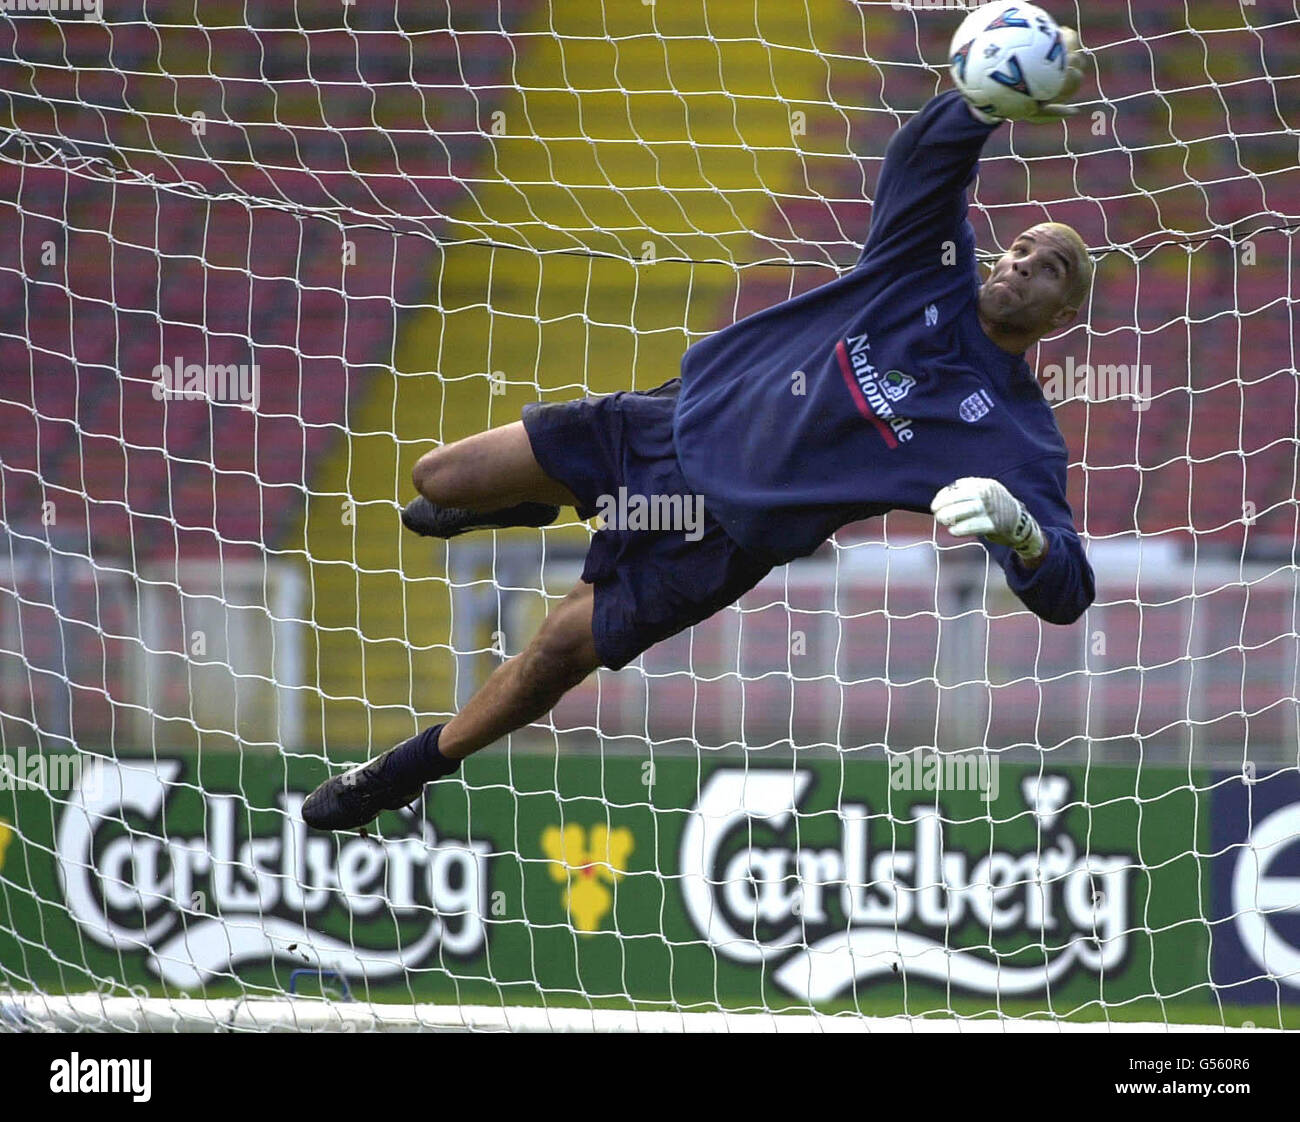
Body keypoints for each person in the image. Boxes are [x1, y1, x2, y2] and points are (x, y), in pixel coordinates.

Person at [303, 29, 1096, 832]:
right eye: (1023, 247)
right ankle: (541, 499)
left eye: (1052, 267)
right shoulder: (921, 268)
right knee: (437, 480)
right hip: (667, 423)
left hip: (713, 538)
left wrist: (1025, 535)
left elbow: (1068, 592)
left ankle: (400, 773)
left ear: (1064, 315)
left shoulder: (1012, 437)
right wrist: (978, 105)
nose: (1024, 263)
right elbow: (924, 163)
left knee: (554, 655)